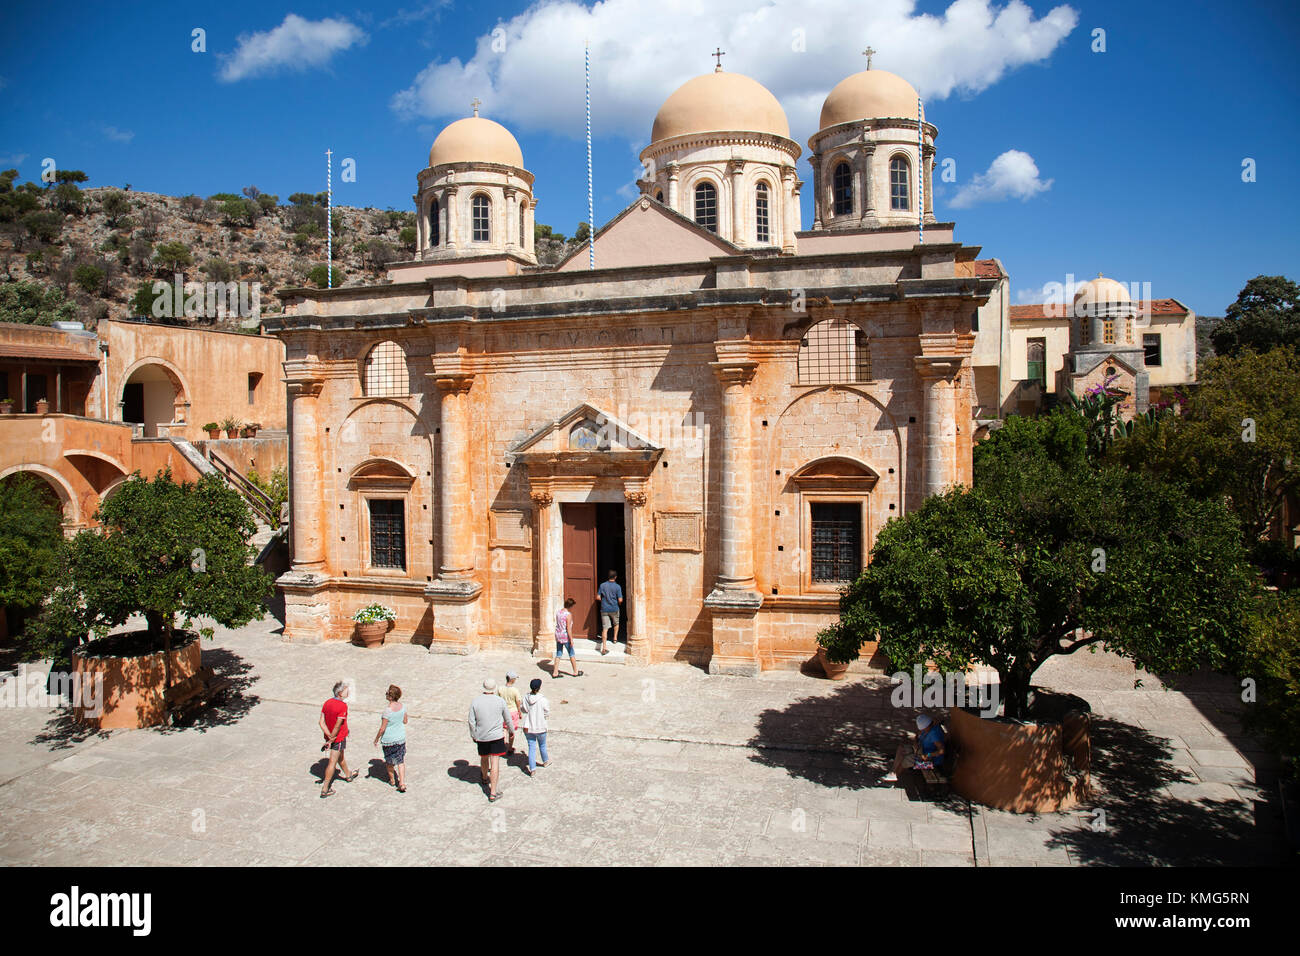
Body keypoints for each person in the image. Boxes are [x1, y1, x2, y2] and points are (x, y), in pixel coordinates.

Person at [468, 678, 512, 801]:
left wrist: (473, 734)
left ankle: (484, 777)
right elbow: (507, 718)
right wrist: (511, 730)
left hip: (481, 735)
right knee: (495, 762)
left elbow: (471, 721)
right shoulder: (500, 701)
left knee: (483, 757)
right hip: (496, 736)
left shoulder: (475, 702)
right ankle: (493, 792)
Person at [319, 680, 358, 798]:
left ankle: (348, 775)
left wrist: (328, 736)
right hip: (338, 738)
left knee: (341, 756)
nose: (348, 692)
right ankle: (325, 788)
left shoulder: (327, 703)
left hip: (331, 737)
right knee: (332, 762)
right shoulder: (342, 706)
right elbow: (338, 724)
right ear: (340, 692)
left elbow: (321, 722)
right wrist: (333, 738)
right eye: (346, 690)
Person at [882, 714, 947, 783]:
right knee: (901, 748)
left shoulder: (934, 734)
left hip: (931, 763)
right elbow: (917, 734)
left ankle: (891, 780)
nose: (922, 730)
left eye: (923, 729)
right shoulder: (928, 727)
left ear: (927, 726)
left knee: (905, 759)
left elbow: (941, 751)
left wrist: (927, 755)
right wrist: (915, 742)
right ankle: (892, 772)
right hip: (920, 751)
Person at [373, 684, 409, 792]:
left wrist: (376, 739)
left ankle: (392, 780)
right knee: (401, 761)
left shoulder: (387, 711)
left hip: (389, 740)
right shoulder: (403, 707)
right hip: (400, 738)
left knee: (389, 762)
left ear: (390, 697)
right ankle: (402, 783)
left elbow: (382, 729)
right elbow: (405, 721)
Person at [519, 678, 551, 776]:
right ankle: (545, 761)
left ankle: (532, 770)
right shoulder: (543, 699)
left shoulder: (526, 698)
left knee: (531, 748)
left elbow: (523, 709)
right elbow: (547, 711)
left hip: (528, 726)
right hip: (540, 726)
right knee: (542, 745)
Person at [551, 597, 582, 679]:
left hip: (558, 635)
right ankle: (575, 671)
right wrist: (571, 639)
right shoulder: (568, 615)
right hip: (565, 636)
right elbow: (568, 628)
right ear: (571, 606)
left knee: (558, 653)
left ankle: (555, 672)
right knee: (571, 653)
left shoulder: (558, 612)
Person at [596, 570, 624, 655]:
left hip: (604, 609)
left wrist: (604, 601)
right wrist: (619, 603)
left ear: (608, 576)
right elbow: (620, 599)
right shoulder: (617, 587)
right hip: (614, 608)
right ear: (615, 577)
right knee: (616, 623)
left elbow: (598, 597)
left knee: (605, 628)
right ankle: (615, 638)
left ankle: (604, 647)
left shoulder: (602, 585)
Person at [497, 670, 523, 754]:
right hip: (513, 712)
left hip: (503, 712)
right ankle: (510, 748)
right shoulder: (515, 690)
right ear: (512, 679)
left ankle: (503, 745)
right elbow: (518, 701)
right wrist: (519, 712)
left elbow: (498, 700)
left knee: (504, 729)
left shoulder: (500, 689)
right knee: (511, 731)